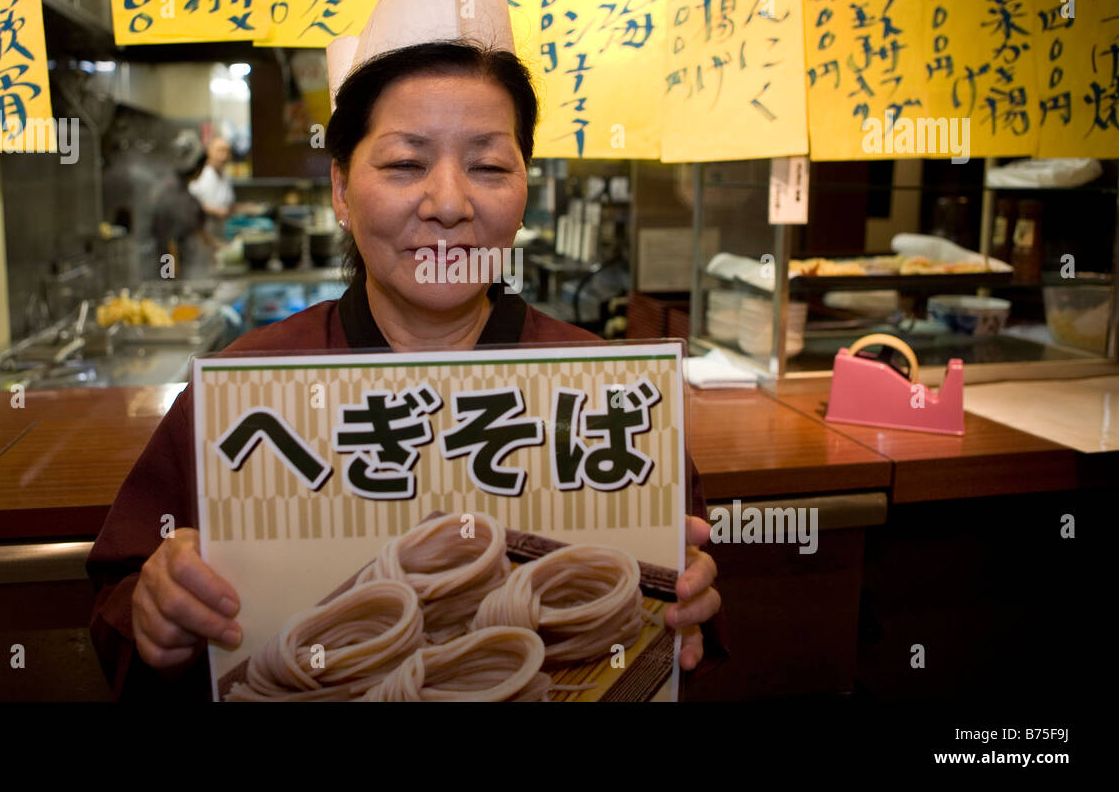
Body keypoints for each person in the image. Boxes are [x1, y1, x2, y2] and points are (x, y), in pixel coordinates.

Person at [88, 39, 726, 700]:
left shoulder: (608, 391)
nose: (448, 202)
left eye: (488, 165)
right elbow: (124, 593)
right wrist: (155, 615)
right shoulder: (249, 389)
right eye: (403, 162)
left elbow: (686, 599)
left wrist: (692, 606)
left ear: (525, 188)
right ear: (340, 188)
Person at [151, 137, 218, 279]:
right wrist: (171, 276)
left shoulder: (182, 190)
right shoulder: (173, 192)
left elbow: (196, 227)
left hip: (182, 263)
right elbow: (169, 240)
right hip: (170, 265)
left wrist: (214, 245)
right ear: (196, 167)